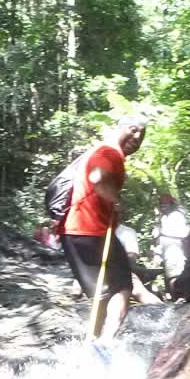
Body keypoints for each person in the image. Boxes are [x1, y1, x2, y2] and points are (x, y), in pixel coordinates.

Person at [59, 121, 146, 339]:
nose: (137, 137)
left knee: (102, 293)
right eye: (133, 129)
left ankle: (94, 341)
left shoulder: (101, 151)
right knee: (122, 286)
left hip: (73, 232)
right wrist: (116, 201)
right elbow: (97, 178)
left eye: (142, 134)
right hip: (93, 230)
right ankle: (107, 341)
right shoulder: (109, 151)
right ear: (119, 128)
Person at [156, 194, 189, 299]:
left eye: (165, 203)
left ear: (172, 204)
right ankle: (177, 300)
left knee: (175, 277)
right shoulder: (164, 218)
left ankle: (181, 300)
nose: (162, 205)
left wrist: (161, 234)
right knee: (170, 278)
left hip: (175, 253)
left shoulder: (176, 216)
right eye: (161, 203)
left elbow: (182, 235)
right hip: (167, 254)